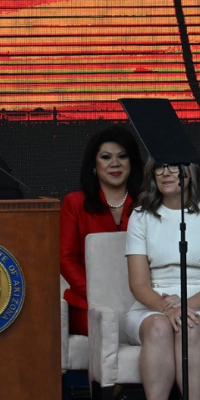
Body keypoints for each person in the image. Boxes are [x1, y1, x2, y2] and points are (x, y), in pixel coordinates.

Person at [125, 160, 200, 400]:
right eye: (159, 167)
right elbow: (138, 284)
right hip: (151, 304)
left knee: (189, 327)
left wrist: (184, 307)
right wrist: (169, 309)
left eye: (174, 167)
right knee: (159, 327)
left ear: (190, 173)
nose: (166, 173)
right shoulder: (140, 216)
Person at [60, 125, 144, 336]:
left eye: (122, 156)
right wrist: (97, 294)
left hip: (140, 301)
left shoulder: (147, 203)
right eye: (106, 157)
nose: (115, 164)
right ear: (94, 165)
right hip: (90, 303)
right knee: (108, 327)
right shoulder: (75, 202)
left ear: (131, 163)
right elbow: (65, 258)